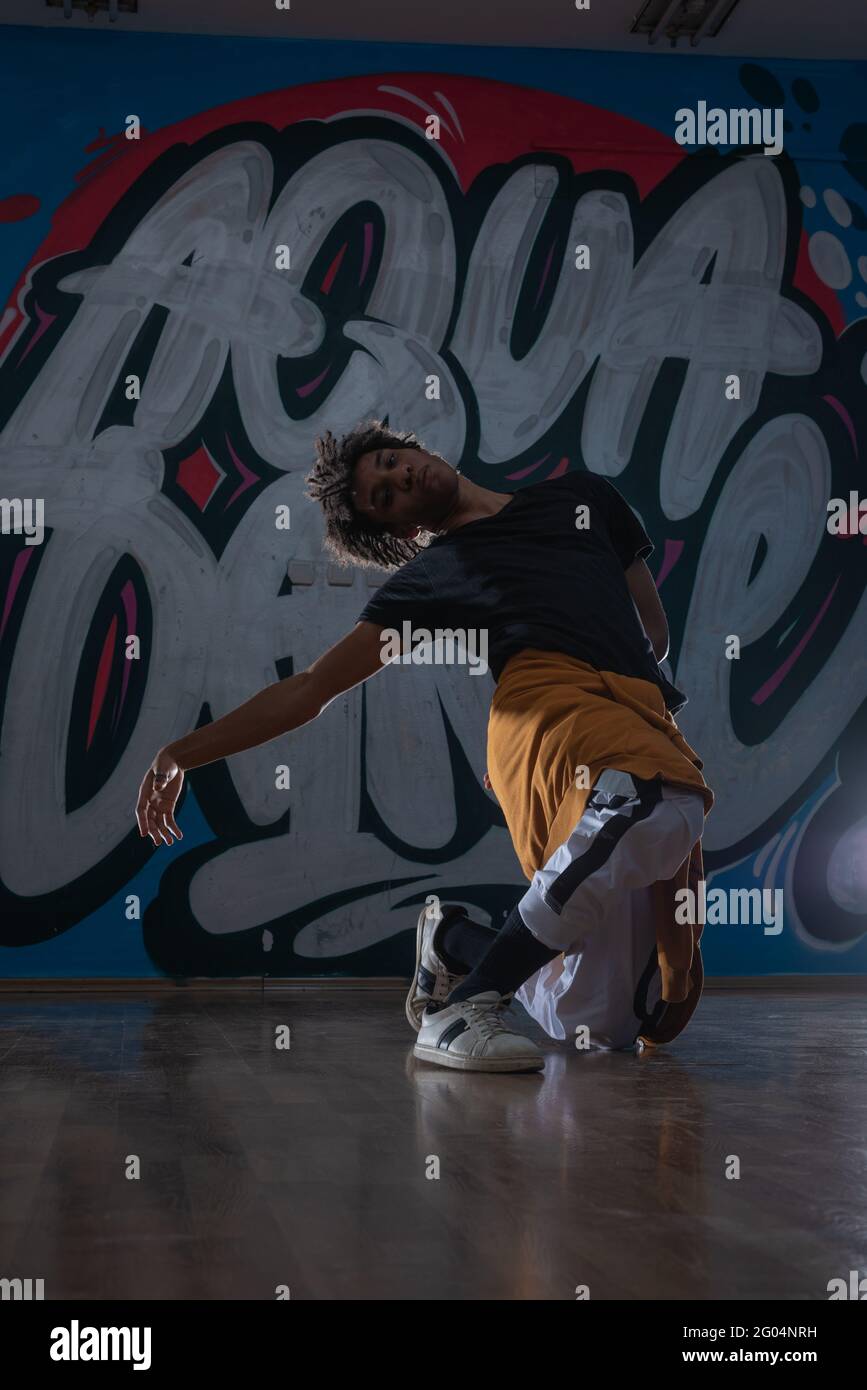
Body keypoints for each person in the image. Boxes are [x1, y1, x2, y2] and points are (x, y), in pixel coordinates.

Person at [135, 419, 713, 1074]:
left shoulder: (583, 498)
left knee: (599, 1020)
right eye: (384, 496)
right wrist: (180, 753)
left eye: (390, 461)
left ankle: (453, 941)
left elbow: (650, 638)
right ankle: (462, 1008)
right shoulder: (437, 575)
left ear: (415, 449)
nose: (397, 476)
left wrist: (627, 678)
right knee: (659, 804)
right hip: (544, 715)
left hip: (629, 715)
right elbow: (311, 688)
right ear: (402, 531)